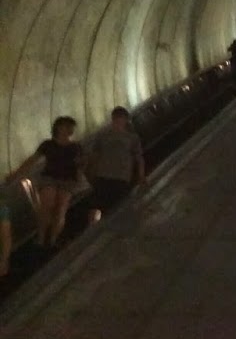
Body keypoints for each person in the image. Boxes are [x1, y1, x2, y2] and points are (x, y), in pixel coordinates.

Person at [5, 116, 85, 249]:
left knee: (61, 209)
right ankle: (41, 237)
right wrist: (15, 174)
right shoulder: (48, 145)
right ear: (58, 128)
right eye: (67, 126)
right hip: (50, 178)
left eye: (71, 127)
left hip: (68, 180)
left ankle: (53, 239)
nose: (70, 129)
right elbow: (32, 160)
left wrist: (80, 171)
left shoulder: (76, 147)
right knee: (47, 203)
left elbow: (81, 165)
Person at [85, 106, 145, 222]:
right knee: (96, 205)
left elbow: (139, 158)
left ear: (126, 120)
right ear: (112, 119)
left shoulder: (132, 138)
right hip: (103, 175)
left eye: (120, 119)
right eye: (116, 119)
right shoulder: (102, 136)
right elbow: (95, 156)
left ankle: (114, 228)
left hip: (121, 177)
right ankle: (94, 230)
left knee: (118, 206)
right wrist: (90, 173)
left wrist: (141, 175)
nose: (118, 122)